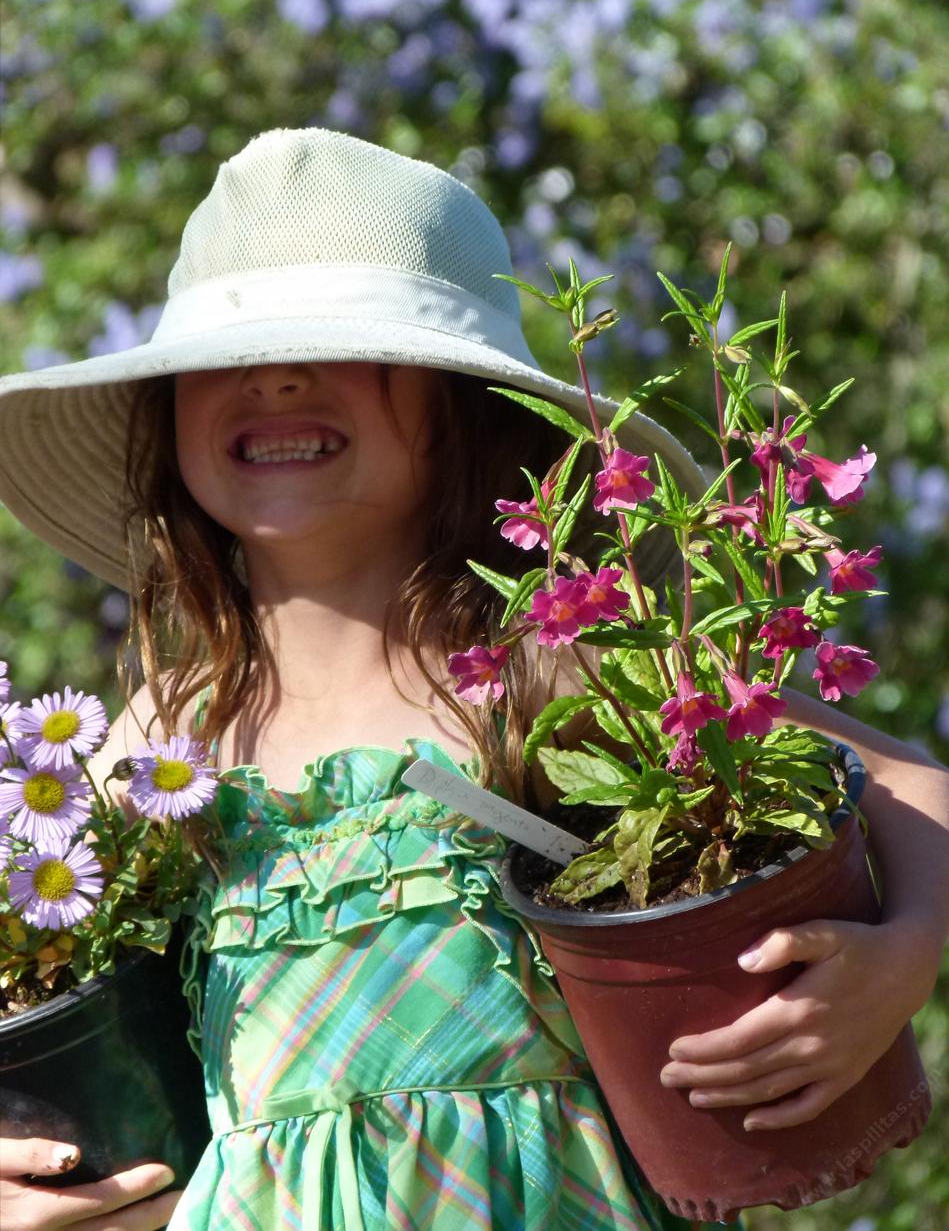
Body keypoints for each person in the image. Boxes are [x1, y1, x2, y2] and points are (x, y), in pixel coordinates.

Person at [0, 128, 946, 1231]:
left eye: (346, 345)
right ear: (164, 421)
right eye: (223, 358)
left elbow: (914, 785)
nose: (277, 376)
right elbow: (59, 1014)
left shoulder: (554, 670)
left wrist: (898, 959)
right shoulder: (166, 740)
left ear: (467, 406)